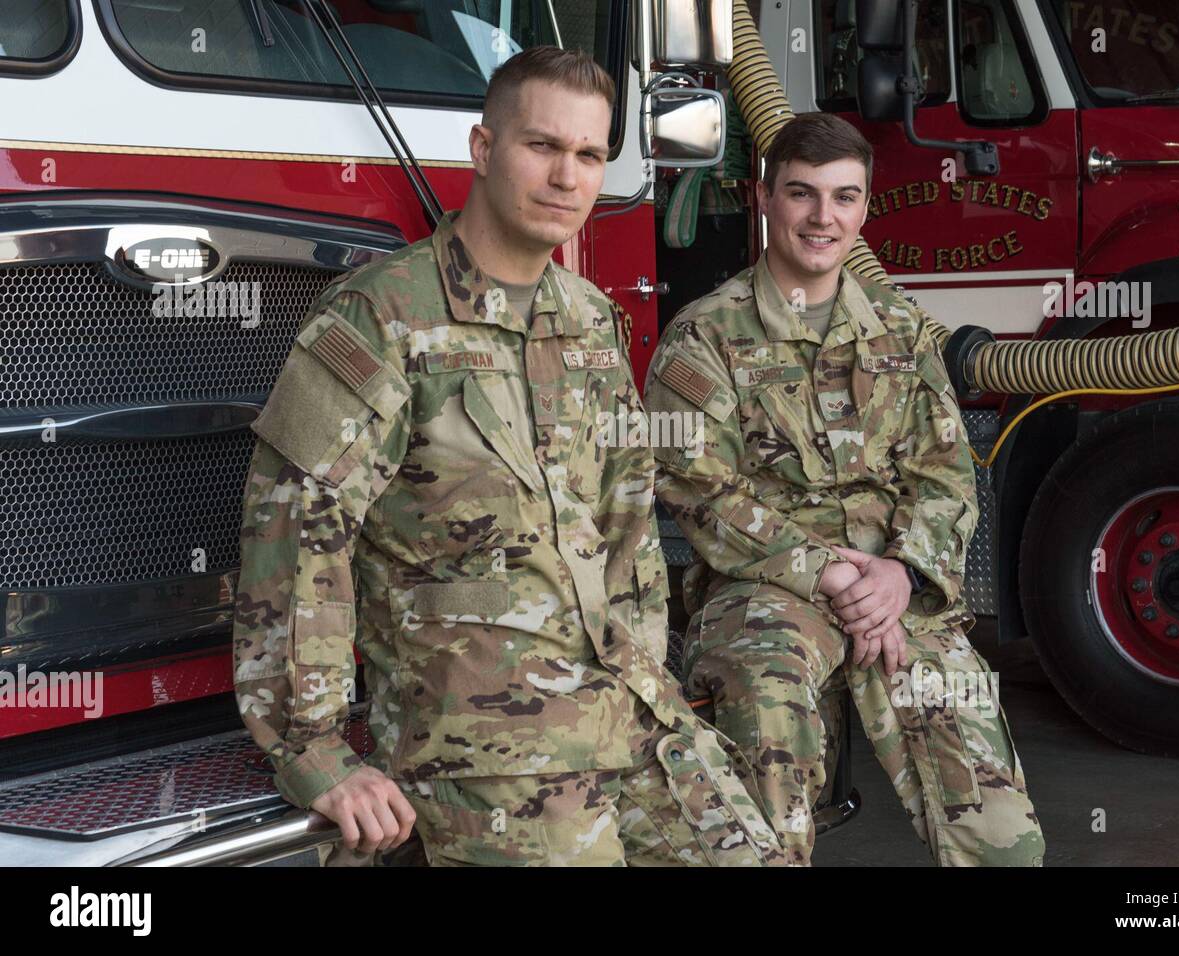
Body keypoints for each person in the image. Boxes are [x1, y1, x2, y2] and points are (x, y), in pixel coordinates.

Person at [233, 46, 784, 866]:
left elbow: (626, 518)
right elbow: (297, 532)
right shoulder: (381, 318)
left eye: (589, 155)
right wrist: (312, 752)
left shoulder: (591, 318)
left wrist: (649, 677)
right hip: (483, 741)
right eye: (543, 146)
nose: (568, 176)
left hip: (624, 709)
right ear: (484, 150)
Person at [644, 112, 1045, 866]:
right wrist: (826, 571)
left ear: (864, 205)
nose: (822, 218)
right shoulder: (704, 337)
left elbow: (946, 470)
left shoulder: (900, 328)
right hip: (765, 591)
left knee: (1001, 831)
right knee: (767, 707)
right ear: (762, 197)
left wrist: (899, 574)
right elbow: (696, 489)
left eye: (843, 197)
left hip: (896, 588)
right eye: (801, 194)